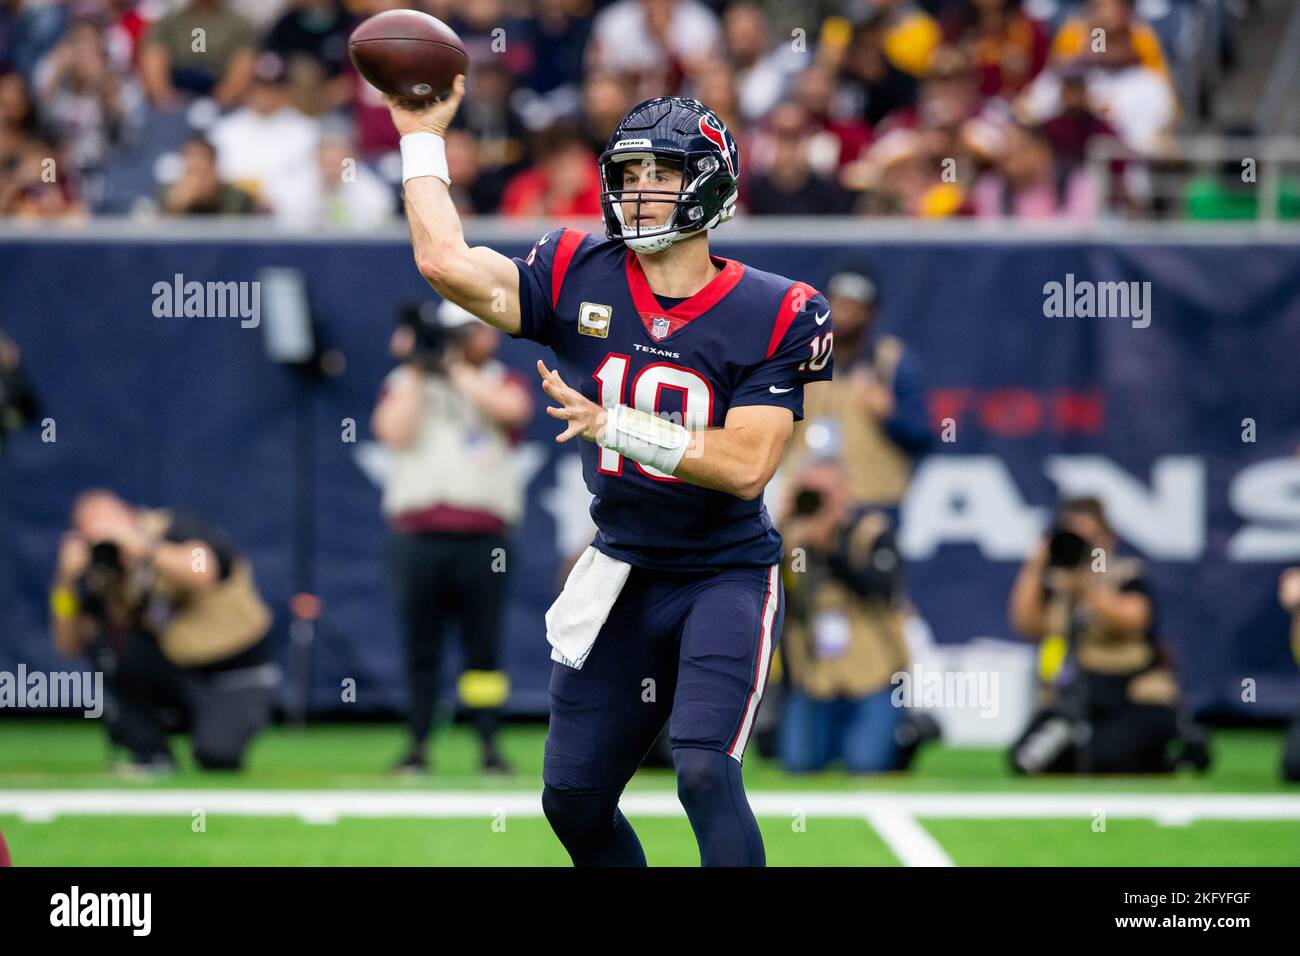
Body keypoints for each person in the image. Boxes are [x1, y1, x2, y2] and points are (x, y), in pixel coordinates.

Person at [386, 81, 833, 866]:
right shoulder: (575, 269)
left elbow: (746, 465)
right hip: (624, 566)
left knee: (701, 768)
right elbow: (444, 263)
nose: (637, 191)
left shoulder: (779, 308)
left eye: (660, 172)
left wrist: (615, 423)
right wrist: (421, 137)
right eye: (627, 174)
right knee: (574, 801)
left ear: (710, 182)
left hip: (723, 571)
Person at [372, 300, 532, 775]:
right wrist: (422, 370)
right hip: (418, 535)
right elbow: (393, 433)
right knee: (421, 645)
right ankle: (418, 744)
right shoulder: (404, 384)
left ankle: (488, 746)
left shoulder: (498, 379)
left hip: (484, 538)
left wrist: (455, 367)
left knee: (483, 646)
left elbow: (514, 412)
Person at [49, 490, 275, 773]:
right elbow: (70, 646)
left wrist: (142, 548)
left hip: (233, 672)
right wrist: (65, 583)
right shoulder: (103, 572)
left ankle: (216, 730)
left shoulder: (175, 529)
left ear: (129, 516)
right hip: (179, 674)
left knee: (217, 757)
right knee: (113, 647)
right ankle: (151, 754)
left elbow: (201, 571)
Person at [1007, 496, 1205, 774]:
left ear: (1107, 539)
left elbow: (1135, 619)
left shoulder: (1126, 575)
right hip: (1081, 699)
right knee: (1027, 758)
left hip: (1133, 698)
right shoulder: (1061, 587)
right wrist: (1036, 563)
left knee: (1105, 757)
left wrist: (1086, 588)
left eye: (1090, 539)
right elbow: (1026, 624)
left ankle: (1177, 751)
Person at [778, 457, 937, 773]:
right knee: (800, 763)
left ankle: (903, 736)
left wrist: (830, 552)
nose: (819, 504)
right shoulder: (791, 541)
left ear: (845, 492)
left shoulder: (872, 531)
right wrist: (779, 537)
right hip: (817, 675)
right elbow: (781, 602)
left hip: (871, 674)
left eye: (827, 493)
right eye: (812, 494)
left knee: (866, 764)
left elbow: (882, 589)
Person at [781, 268, 929, 509]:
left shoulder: (892, 361)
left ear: (870, 312)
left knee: (873, 540)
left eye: (853, 306)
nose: (843, 313)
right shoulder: (799, 358)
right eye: (838, 304)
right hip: (806, 504)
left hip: (872, 503)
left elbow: (921, 437)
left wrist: (890, 414)